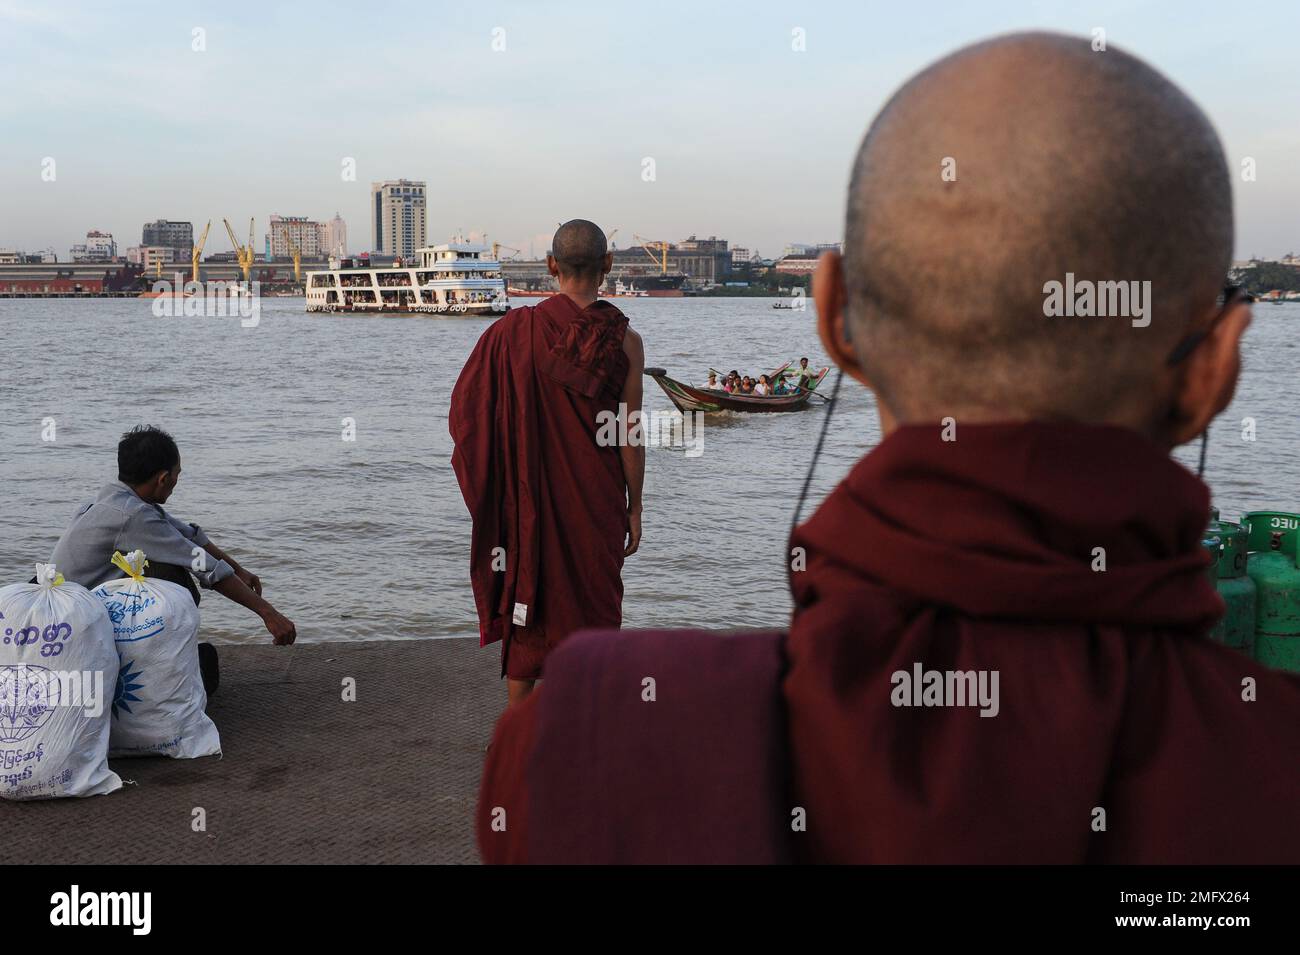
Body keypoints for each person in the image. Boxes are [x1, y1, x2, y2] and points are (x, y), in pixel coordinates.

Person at [476, 33, 1300, 864]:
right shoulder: (1272, 771)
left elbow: (476, 434)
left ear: (835, 320)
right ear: (1216, 368)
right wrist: (635, 498)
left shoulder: (575, 758)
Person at [450, 219, 645, 708]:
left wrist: (499, 483)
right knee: (595, 609)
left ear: (551, 266)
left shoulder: (514, 332)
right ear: (608, 265)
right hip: (597, 505)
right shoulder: (625, 341)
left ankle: (518, 730)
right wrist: (635, 506)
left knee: (530, 601)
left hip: (528, 501)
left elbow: (467, 417)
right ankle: (586, 731)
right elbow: (629, 434)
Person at [50, 426, 298, 694]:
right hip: (75, 623)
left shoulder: (115, 499)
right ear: (164, 478)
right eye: (178, 475)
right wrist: (269, 614)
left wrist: (239, 570)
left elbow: (189, 535)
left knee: (162, 564)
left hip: (63, 608)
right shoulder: (134, 518)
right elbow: (204, 566)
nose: (177, 481)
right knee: (172, 573)